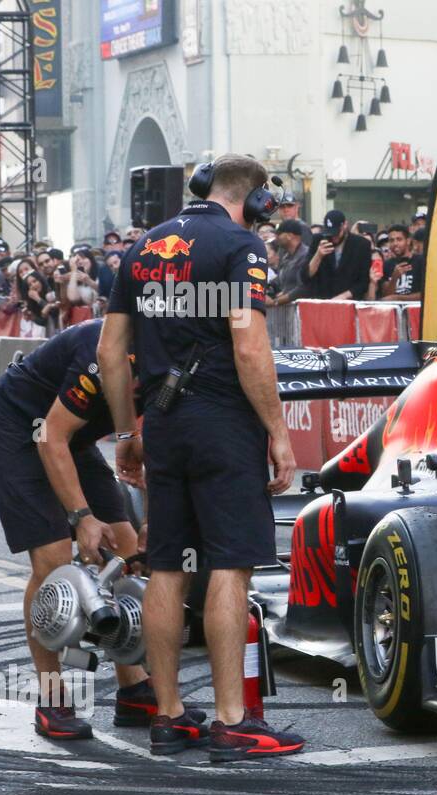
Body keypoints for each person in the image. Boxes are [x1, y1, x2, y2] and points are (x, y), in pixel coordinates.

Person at [98, 153, 305, 761]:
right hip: (222, 423)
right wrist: (279, 431)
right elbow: (248, 344)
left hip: (162, 422)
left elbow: (112, 352)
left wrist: (125, 433)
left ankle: (166, 718)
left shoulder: (143, 247)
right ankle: (231, 721)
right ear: (258, 198)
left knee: (168, 566)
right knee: (231, 567)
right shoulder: (241, 246)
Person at [0, 319, 158, 739]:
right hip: (20, 426)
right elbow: (49, 438)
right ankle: (52, 697)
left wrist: (151, 520)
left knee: (125, 552)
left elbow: (156, 446)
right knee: (53, 560)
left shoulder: (176, 354)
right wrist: (82, 516)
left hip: (71, 435)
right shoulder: (101, 353)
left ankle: (133, 687)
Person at [306, 209, 372, 300]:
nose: (334, 239)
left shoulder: (361, 245)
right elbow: (305, 275)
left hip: (349, 301)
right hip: (322, 300)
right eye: (330, 234)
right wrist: (318, 255)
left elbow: (363, 281)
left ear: (345, 225)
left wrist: (343, 296)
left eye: (337, 234)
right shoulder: (318, 240)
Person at [269, 219, 310, 307]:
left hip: (301, 312)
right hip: (286, 314)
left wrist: (276, 301)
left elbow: (303, 288)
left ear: (289, 236)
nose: (276, 237)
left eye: (279, 234)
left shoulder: (306, 256)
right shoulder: (285, 257)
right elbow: (279, 281)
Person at [378, 223, 423, 301]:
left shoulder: (421, 261)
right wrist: (394, 278)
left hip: (415, 311)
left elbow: (425, 294)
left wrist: (399, 298)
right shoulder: (386, 265)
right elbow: (385, 296)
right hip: (392, 312)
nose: (395, 243)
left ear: (408, 241)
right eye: (391, 240)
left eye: (399, 239)